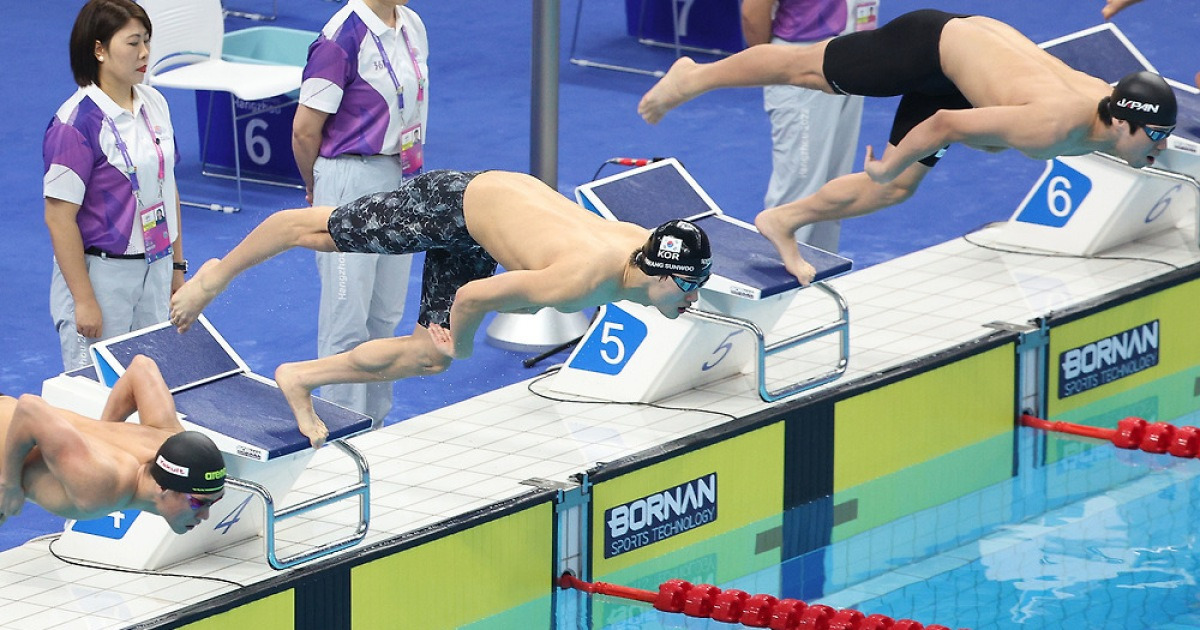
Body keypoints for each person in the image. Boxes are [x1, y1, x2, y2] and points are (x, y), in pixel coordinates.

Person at [168, 170, 713, 448]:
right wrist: (468, 341)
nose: (693, 299)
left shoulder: (644, 247)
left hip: (490, 226)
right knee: (311, 229)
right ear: (660, 274)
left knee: (430, 356)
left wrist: (458, 336)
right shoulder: (577, 283)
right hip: (455, 202)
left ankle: (300, 378)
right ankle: (217, 273)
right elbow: (472, 299)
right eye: (689, 288)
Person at [638, 10, 1178, 284]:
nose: (1157, 151)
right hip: (931, 46)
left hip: (967, 68)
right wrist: (888, 161)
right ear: (1124, 124)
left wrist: (892, 174)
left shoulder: (1106, 106)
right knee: (801, 68)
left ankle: (782, 220)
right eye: (1154, 140)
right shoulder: (1053, 126)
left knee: (894, 192)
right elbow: (944, 122)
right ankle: (694, 76)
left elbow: (967, 120)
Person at [293, 0, 429, 427]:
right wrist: (320, 189)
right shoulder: (340, 38)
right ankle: (342, 434)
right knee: (346, 316)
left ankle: (376, 426)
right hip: (347, 180)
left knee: (385, 314)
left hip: (398, 175)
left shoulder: (411, 25)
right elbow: (303, 129)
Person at [44, 0, 187, 371]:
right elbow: (59, 218)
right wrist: (84, 299)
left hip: (155, 267)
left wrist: (177, 265)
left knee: (153, 386)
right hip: (103, 277)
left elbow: (166, 185)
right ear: (99, 49)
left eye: (147, 41)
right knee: (98, 402)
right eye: (133, 42)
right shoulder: (74, 125)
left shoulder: (155, 102)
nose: (145, 53)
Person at [0, 355, 225, 534]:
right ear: (162, 487)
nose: (205, 515)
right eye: (198, 503)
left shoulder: (169, 441)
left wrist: (97, 442)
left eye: (214, 502)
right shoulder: (100, 485)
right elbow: (30, 409)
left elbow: (142, 369)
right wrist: (7, 483)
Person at [743, 0, 878, 255]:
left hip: (857, 49)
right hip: (803, 57)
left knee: (834, 188)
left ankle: (818, 281)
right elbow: (753, 13)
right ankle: (777, 286)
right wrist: (772, 65)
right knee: (798, 189)